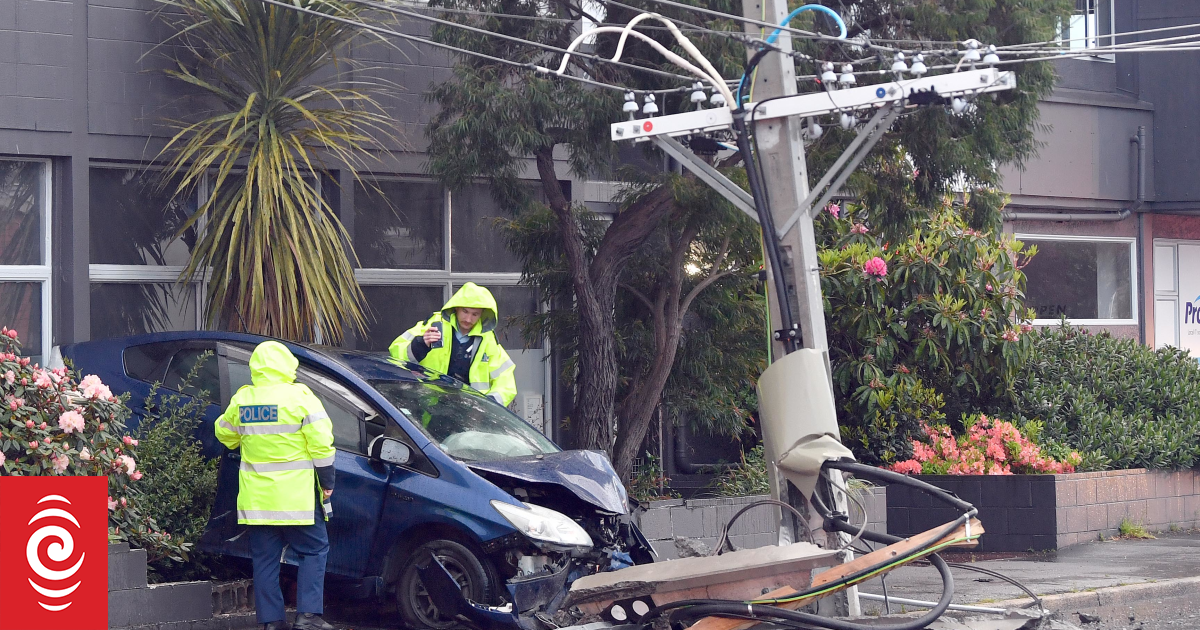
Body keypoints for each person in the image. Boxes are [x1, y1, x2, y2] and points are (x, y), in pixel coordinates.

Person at [215, 341, 337, 630]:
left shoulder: (244, 399)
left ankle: (272, 622)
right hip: (296, 499)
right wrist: (328, 480)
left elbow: (225, 434)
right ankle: (307, 617)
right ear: (288, 364)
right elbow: (322, 442)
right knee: (315, 550)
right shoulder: (301, 396)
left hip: (258, 501)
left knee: (265, 560)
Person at [389, 282, 517, 406]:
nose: (468, 319)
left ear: (482, 315)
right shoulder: (434, 324)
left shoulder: (488, 338)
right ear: (456, 308)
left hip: (470, 412)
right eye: (465, 311)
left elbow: (505, 381)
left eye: (474, 314)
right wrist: (420, 344)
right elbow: (396, 352)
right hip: (426, 405)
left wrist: (489, 404)